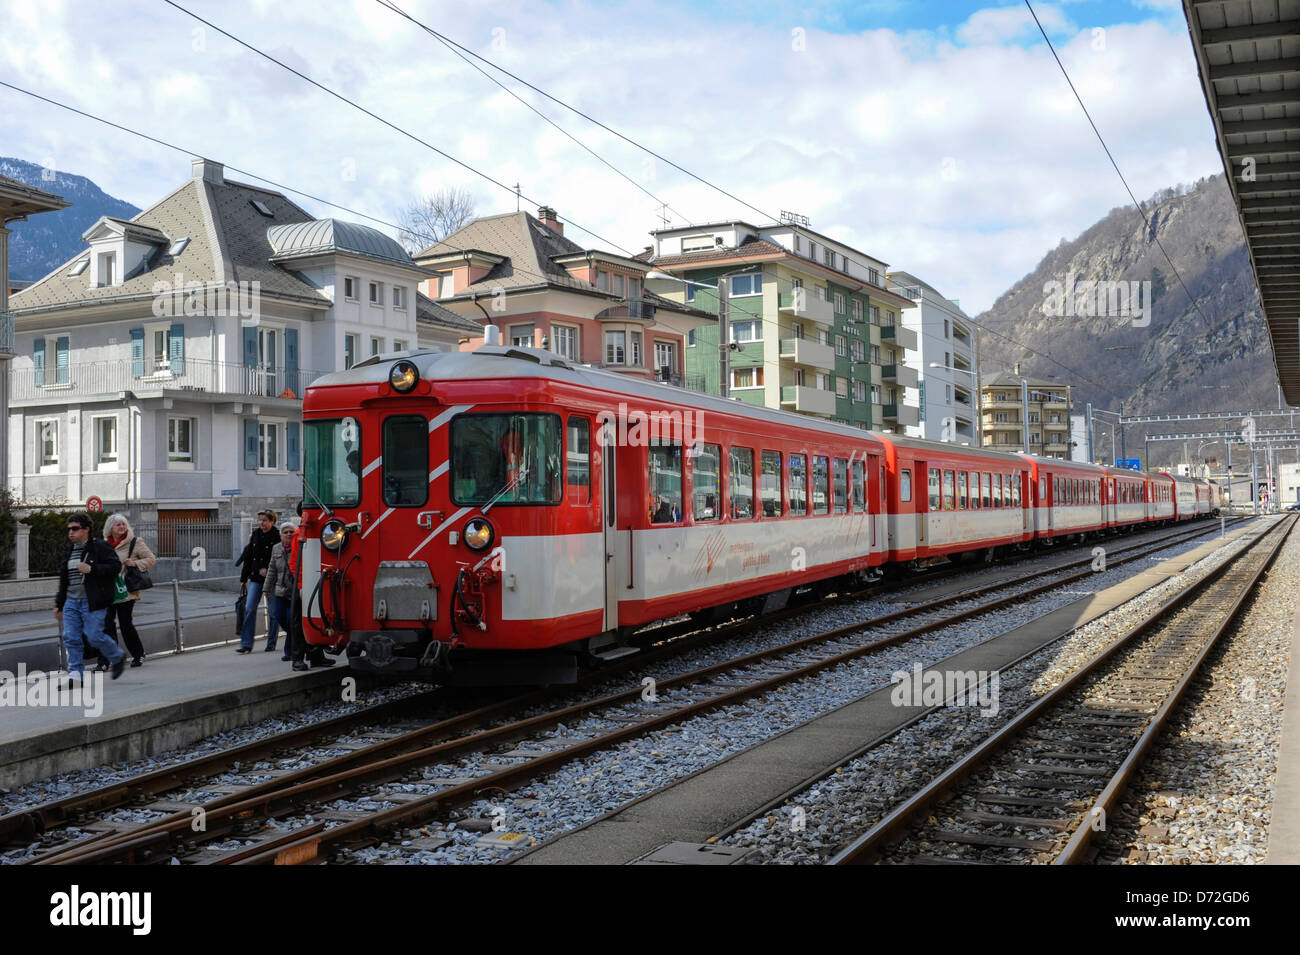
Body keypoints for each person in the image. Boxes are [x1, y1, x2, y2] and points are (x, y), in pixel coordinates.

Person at [54, 513, 125, 685]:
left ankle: (117, 656)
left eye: (75, 528)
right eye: (69, 529)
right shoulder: (69, 550)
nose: (71, 532)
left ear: (86, 530)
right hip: (71, 601)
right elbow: (64, 580)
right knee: (70, 636)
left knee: (94, 636)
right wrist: (59, 604)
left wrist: (91, 568)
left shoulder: (100, 547)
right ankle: (75, 675)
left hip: (93, 600)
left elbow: (115, 567)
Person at [102, 513, 157, 668]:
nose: (121, 527)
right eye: (118, 524)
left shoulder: (135, 542)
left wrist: (134, 563)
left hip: (126, 591)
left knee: (126, 624)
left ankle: (138, 654)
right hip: (108, 590)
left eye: (123, 524)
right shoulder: (104, 544)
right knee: (107, 625)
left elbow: (151, 559)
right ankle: (111, 658)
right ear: (110, 528)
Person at [287, 501, 334, 671]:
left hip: (313, 580)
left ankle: (316, 656)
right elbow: (295, 563)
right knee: (299, 621)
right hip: (303, 583)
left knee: (315, 616)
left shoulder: (318, 532)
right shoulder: (300, 534)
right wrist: (301, 586)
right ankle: (297, 658)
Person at [236, 509, 280, 653]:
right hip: (255, 578)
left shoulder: (277, 536)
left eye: (265, 520)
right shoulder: (255, 535)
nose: (261, 523)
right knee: (249, 608)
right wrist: (243, 578)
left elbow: (280, 559)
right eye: (260, 520)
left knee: (273, 612)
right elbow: (248, 556)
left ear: (272, 521)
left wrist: (268, 569)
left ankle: (271, 642)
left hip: (272, 579)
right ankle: (246, 644)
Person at [263, 521, 296, 659]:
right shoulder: (276, 548)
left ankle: (289, 652)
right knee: (279, 616)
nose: (288, 534)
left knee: (291, 620)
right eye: (286, 532)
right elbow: (272, 569)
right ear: (281, 535)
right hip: (280, 590)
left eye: (291, 532)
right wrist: (266, 588)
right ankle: (297, 640)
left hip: (295, 591)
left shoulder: (299, 547)